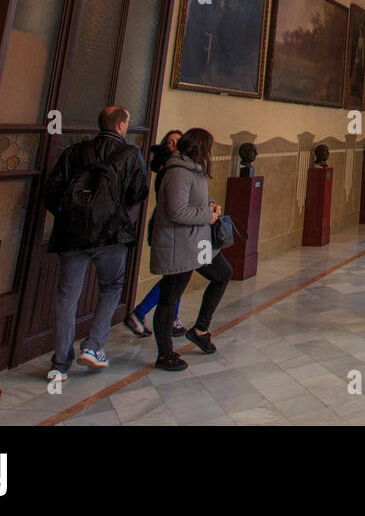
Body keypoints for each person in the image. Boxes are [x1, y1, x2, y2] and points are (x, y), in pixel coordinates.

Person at [42, 105, 148, 379]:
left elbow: (51, 193)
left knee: (67, 297)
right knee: (111, 287)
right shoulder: (130, 154)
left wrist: (71, 219)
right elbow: (139, 194)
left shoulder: (74, 152)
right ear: (122, 125)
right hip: (110, 236)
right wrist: (119, 222)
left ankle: (59, 364)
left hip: (71, 236)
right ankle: (93, 346)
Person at [150, 128, 230, 371]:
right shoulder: (177, 172)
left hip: (197, 242)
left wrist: (210, 205)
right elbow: (177, 211)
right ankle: (164, 354)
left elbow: (191, 202)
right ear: (200, 148)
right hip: (180, 244)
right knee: (169, 299)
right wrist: (208, 216)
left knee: (223, 273)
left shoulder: (193, 169)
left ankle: (200, 329)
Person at [124, 130, 187, 338]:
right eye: (170, 142)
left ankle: (171, 319)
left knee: (176, 275)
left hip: (173, 228)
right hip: (170, 229)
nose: (174, 145)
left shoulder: (176, 168)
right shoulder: (169, 170)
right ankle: (141, 312)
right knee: (174, 277)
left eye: (178, 141)